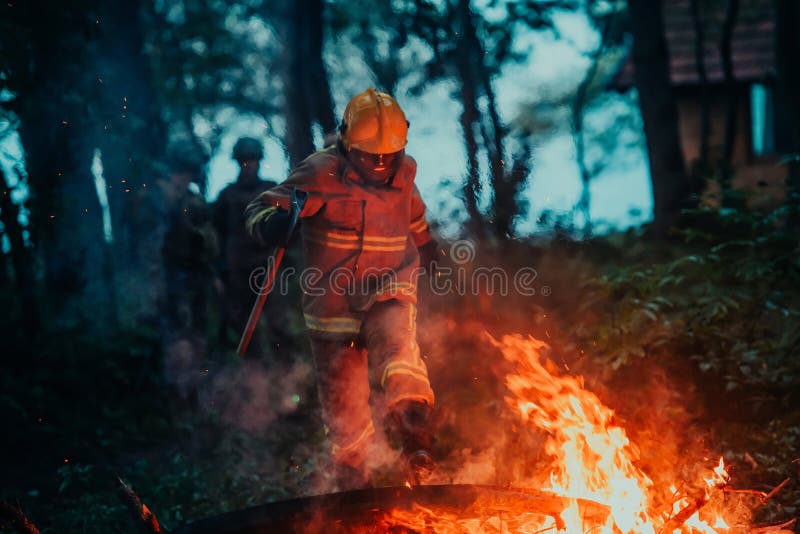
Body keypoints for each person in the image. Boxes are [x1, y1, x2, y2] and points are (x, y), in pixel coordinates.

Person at [244, 88, 440, 489]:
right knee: (344, 409)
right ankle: (354, 488)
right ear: (349, 145)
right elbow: (258, 210)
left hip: (390, 289)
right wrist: (271, 224)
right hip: (332, 307)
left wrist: (429, 248)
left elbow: (415, 215)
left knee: (400, 355)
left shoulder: (406, 174)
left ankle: (417, 442)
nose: (382, 164)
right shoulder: (320, 173)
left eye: (390, 155)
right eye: (372, 156)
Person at [213, 137, 285, 357]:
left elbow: (288, 230)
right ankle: (252, 379)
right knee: (245, 330)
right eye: (245, 161)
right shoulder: (226, 197)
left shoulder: (272, 191)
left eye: (252, 161)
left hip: (270, 270)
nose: (249, 166)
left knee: (279, 327)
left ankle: (288, 378)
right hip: (239, 274)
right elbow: (217, 235)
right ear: (238, 163)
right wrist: (219, 273)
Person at [160, 142, 218, 402]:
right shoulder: (160, 200)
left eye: (188, 172)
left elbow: (208, 243)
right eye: (180, 171)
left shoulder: (194, 202)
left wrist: (214, 275)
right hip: (171, 277)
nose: (184, 177)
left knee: (197, 335)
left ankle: (195, 392)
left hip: (196, 278)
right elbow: (150, 247)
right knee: (178, 339)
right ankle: (179, 394)